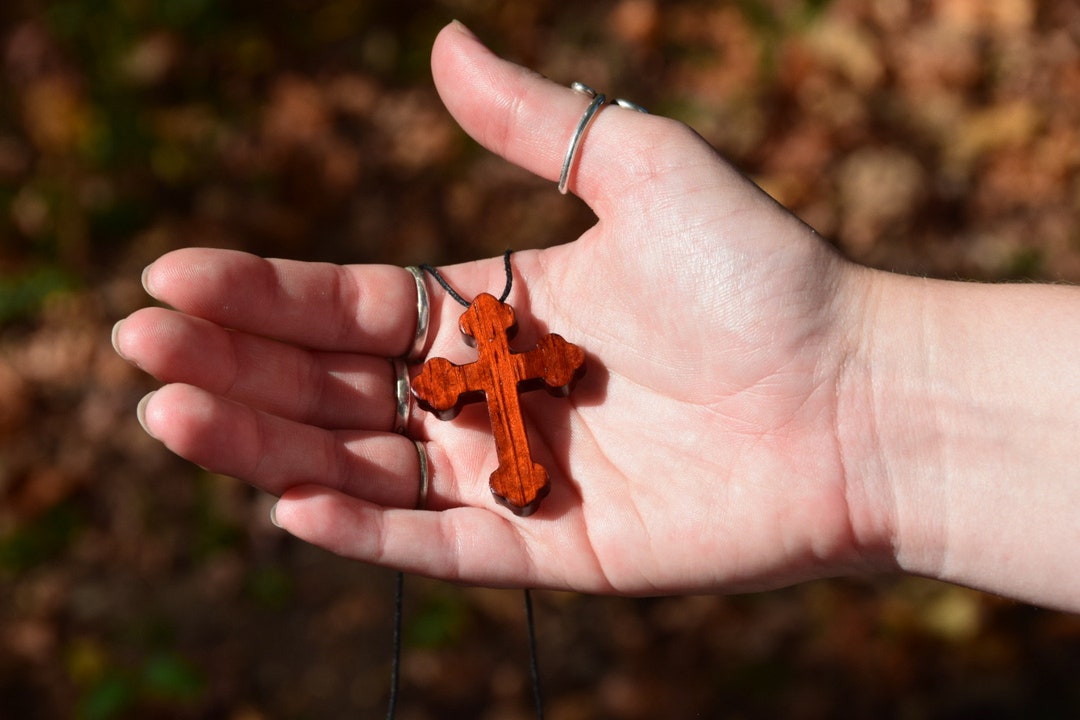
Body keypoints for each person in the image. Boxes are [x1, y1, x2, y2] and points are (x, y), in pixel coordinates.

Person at [111, 21, 1080, 613]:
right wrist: (869, 411)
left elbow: (524, 368)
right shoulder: (468, 374)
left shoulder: (532, 360)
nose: (494, 355)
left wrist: (852, 386)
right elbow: (461, 381)